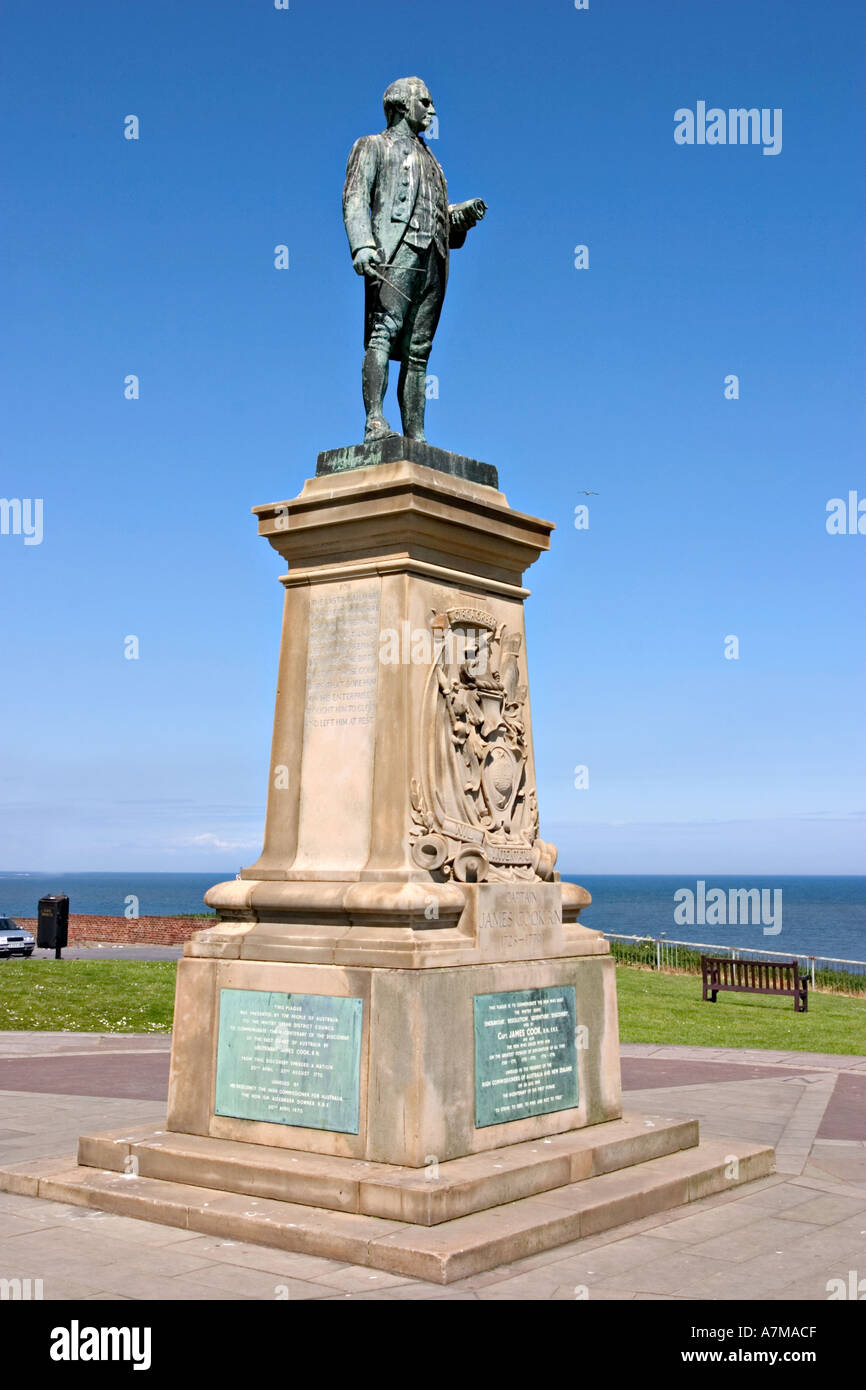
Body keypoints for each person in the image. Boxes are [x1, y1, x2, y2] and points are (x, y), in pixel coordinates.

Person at [342, 76, 486, 443]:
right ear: (403, 105)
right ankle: (375, 422)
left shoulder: (435, 162)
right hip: (395, 250)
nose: (433, 110)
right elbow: (356, 197)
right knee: (383, 333)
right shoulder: (372, 146)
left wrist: (459, 217)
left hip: (434, 254)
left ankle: (415, 437)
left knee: (419, 351)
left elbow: (436, 210)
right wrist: (362, 246)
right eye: (425, 101)